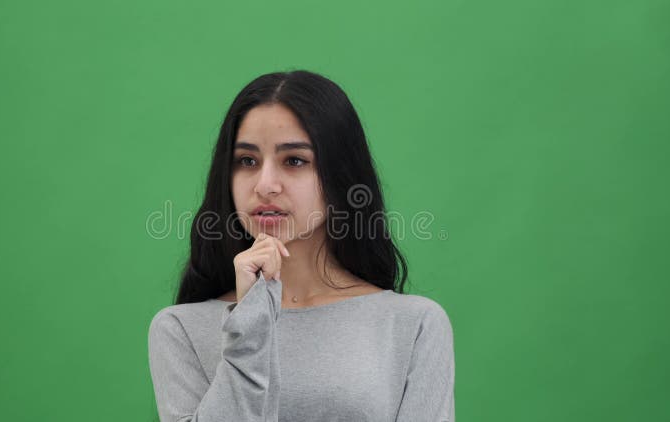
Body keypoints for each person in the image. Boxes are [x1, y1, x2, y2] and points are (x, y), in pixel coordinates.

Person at [148, 70, 455, 421]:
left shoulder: (414, 324)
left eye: (294, 161)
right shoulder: (180, 329)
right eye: (247, 161)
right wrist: (249, 320)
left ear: (341, 175)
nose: (265, 185)